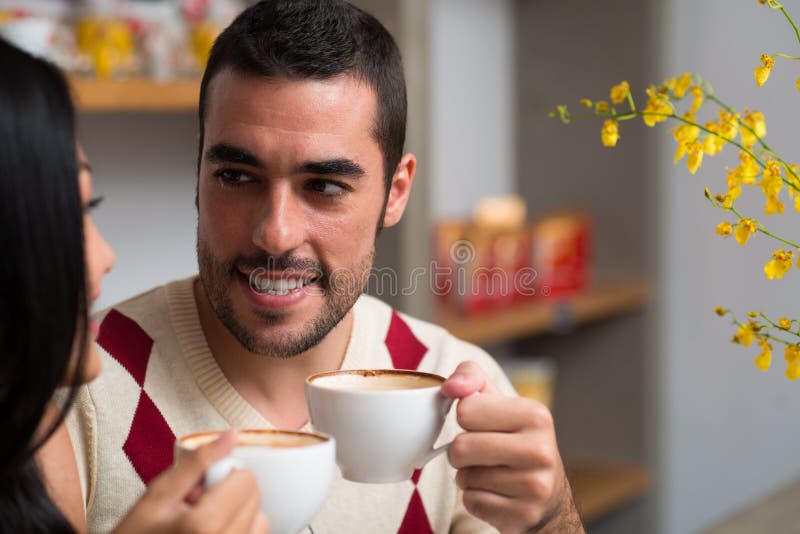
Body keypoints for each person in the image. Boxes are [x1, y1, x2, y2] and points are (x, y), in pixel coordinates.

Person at [63, 1, 585, 532]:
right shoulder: (75, 389)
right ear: (199, 170)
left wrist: (553, 516)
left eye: (326, 187)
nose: (276, 233)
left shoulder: (456, 392)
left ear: (395, 193)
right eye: (237, 177)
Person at [0, 38, 268, 534]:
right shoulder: (73, 421)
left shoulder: (28, 445)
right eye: (72, 212)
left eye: (325, 186)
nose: (106, 256)